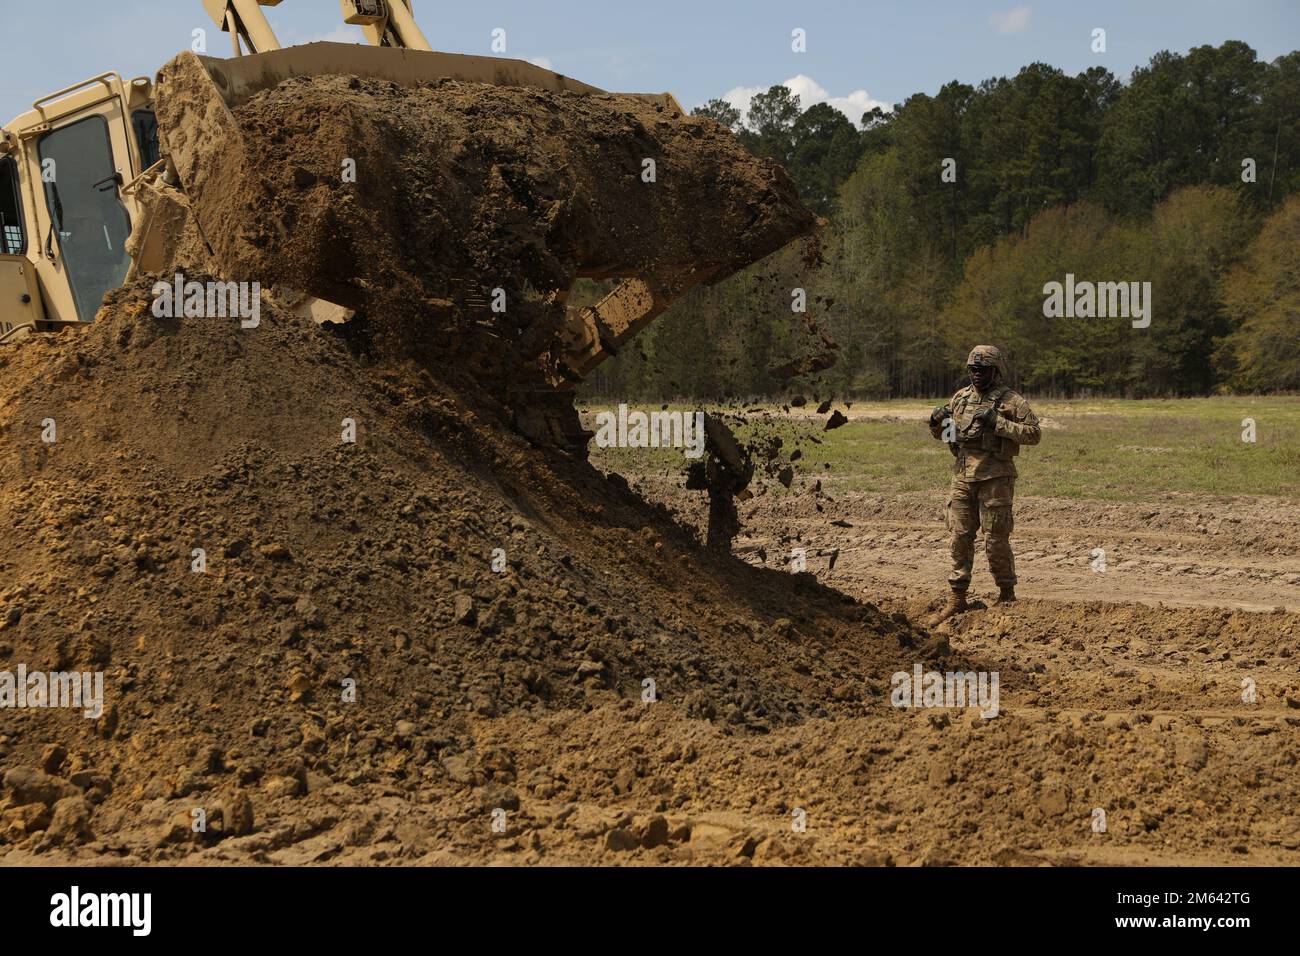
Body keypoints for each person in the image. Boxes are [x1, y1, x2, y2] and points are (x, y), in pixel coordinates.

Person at [926, 345, 1040, 626]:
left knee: (995, 540)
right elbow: (949, 437)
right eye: (973, 369)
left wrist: (998, 422)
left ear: (995, 370)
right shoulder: (960, 399)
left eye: (983, 369)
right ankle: (957, 598)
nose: (976, 374)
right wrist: (936, 424)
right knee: (959, 538)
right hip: (963, 478)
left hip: (995, 479)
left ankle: (1006, 594)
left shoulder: (1012, 401)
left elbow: (1034, 434)